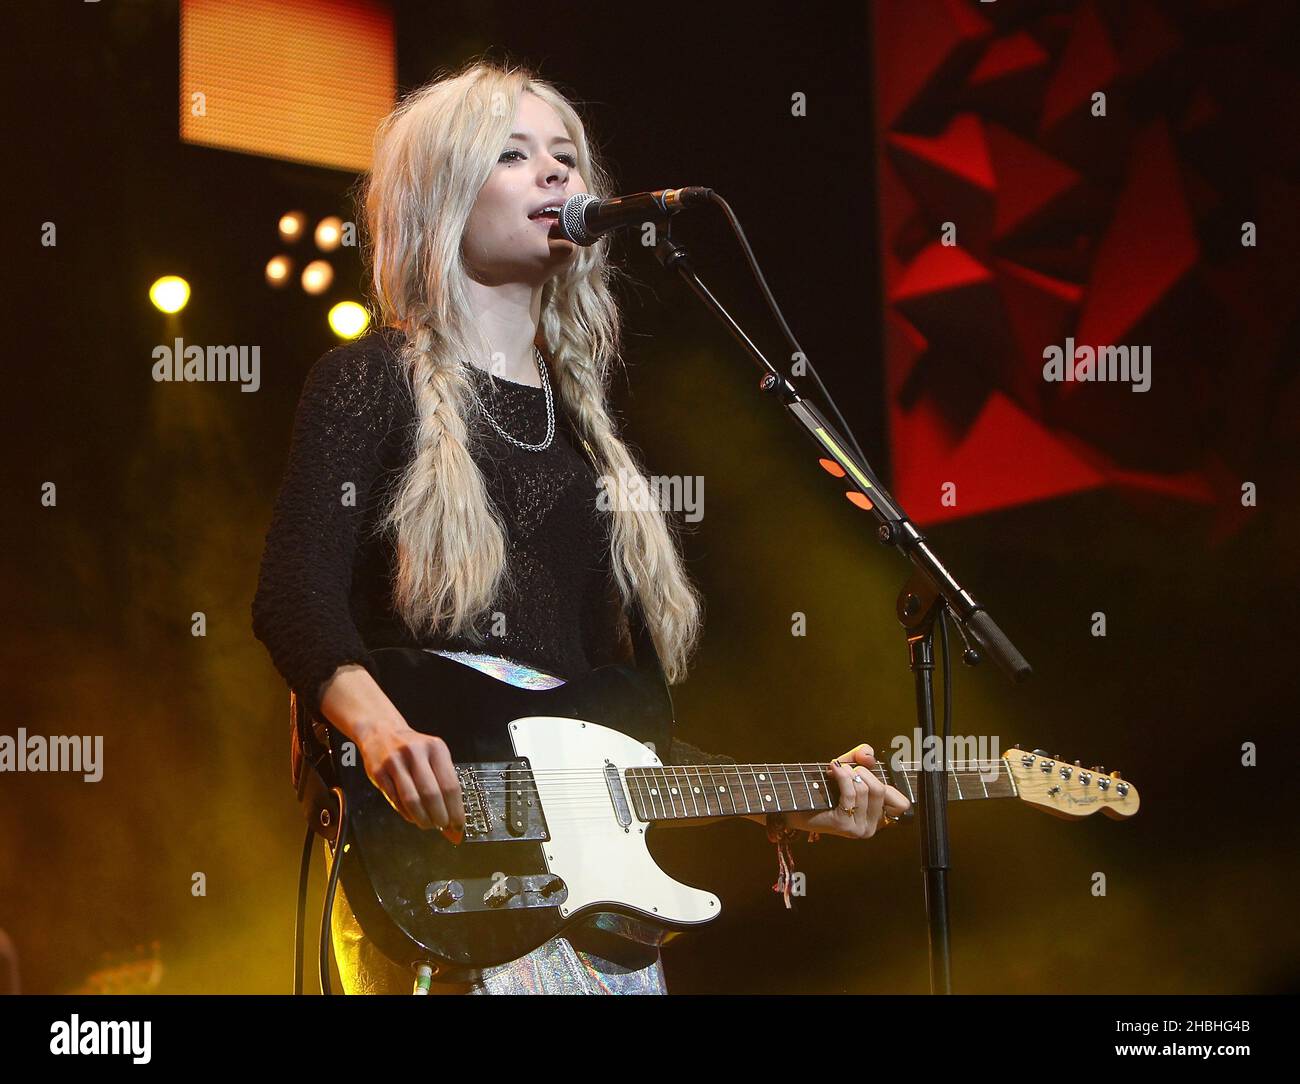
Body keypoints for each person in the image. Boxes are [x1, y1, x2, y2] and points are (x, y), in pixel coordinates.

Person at [251, 59, 910, 995]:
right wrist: (380, 729)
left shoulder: (591, 436)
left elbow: (608, 737)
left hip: (587, 920)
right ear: (440, 197)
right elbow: (292, 593)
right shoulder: (369, 381)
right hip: (443, 875)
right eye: (515, 156)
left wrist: (795, 798)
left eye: (566, 156)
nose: (559, 175)